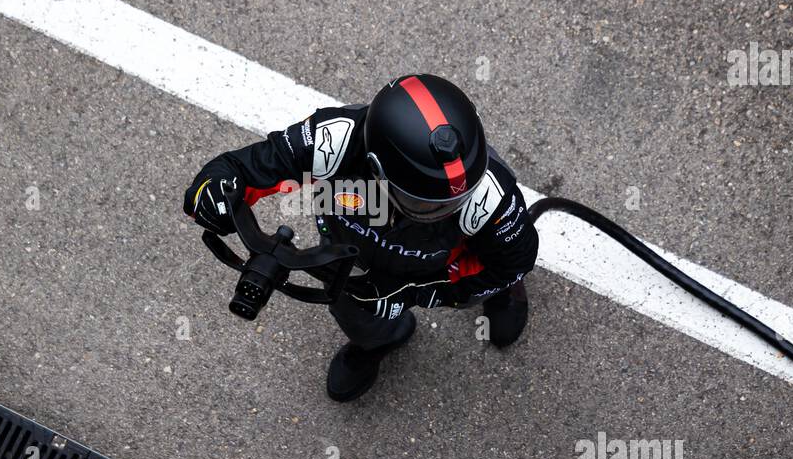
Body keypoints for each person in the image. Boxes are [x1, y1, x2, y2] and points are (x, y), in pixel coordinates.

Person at [183, 74, 538, 401]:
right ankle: (378, 342)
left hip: (433, 268)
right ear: (377, 169)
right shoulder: (333, 140)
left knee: (492, 265)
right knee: (357, 312)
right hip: (348, 258)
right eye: (425, 201)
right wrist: (211, 190)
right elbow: (243, 168)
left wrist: (426, 293)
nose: (451, 208)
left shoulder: (489, 197)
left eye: (458, 198)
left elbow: (514, 262)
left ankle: (502, 296)